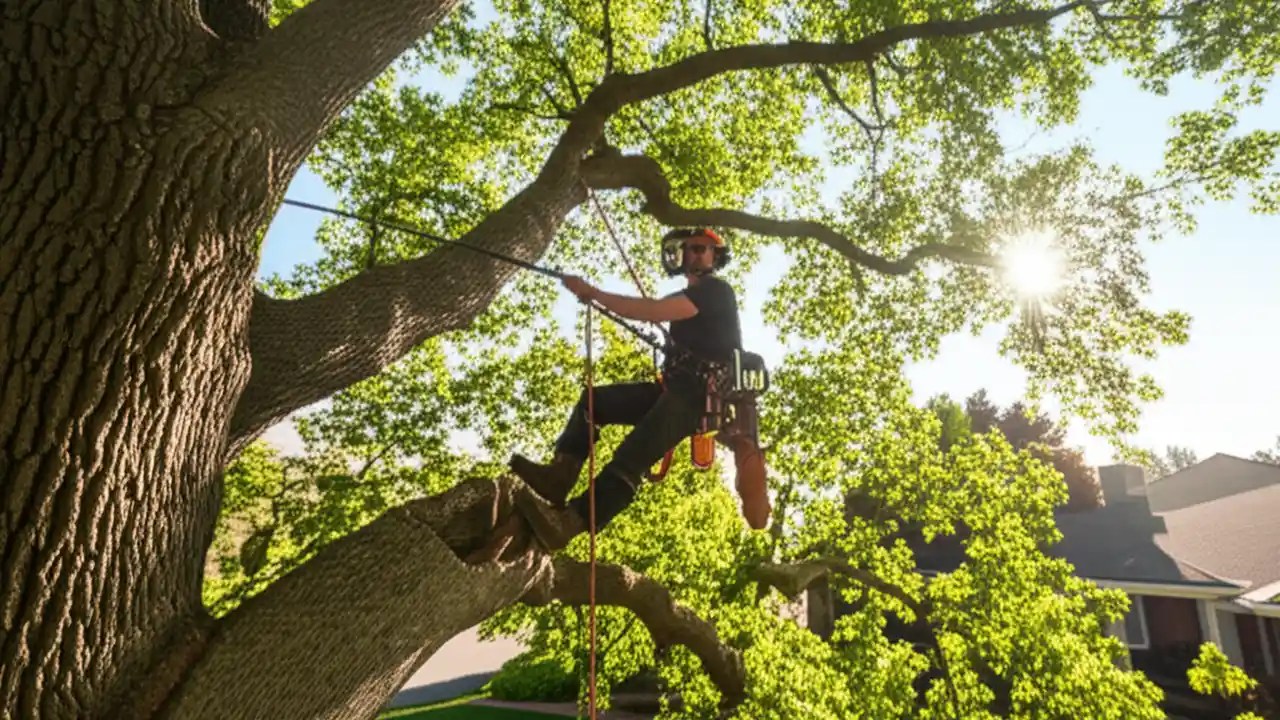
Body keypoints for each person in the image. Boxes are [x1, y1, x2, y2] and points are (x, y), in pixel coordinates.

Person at [508, 227, 771, 554]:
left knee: (629, 461)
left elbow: (649, 311)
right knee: (594, 402)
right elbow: (658, 310)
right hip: (674, 391)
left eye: (702, 249)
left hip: (695, 398)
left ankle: (569, 523)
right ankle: (559, 476)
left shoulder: (715, 291)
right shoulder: (688, 297)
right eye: (690, 248)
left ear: (715, 256)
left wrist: (593, 293)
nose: (694, 254)